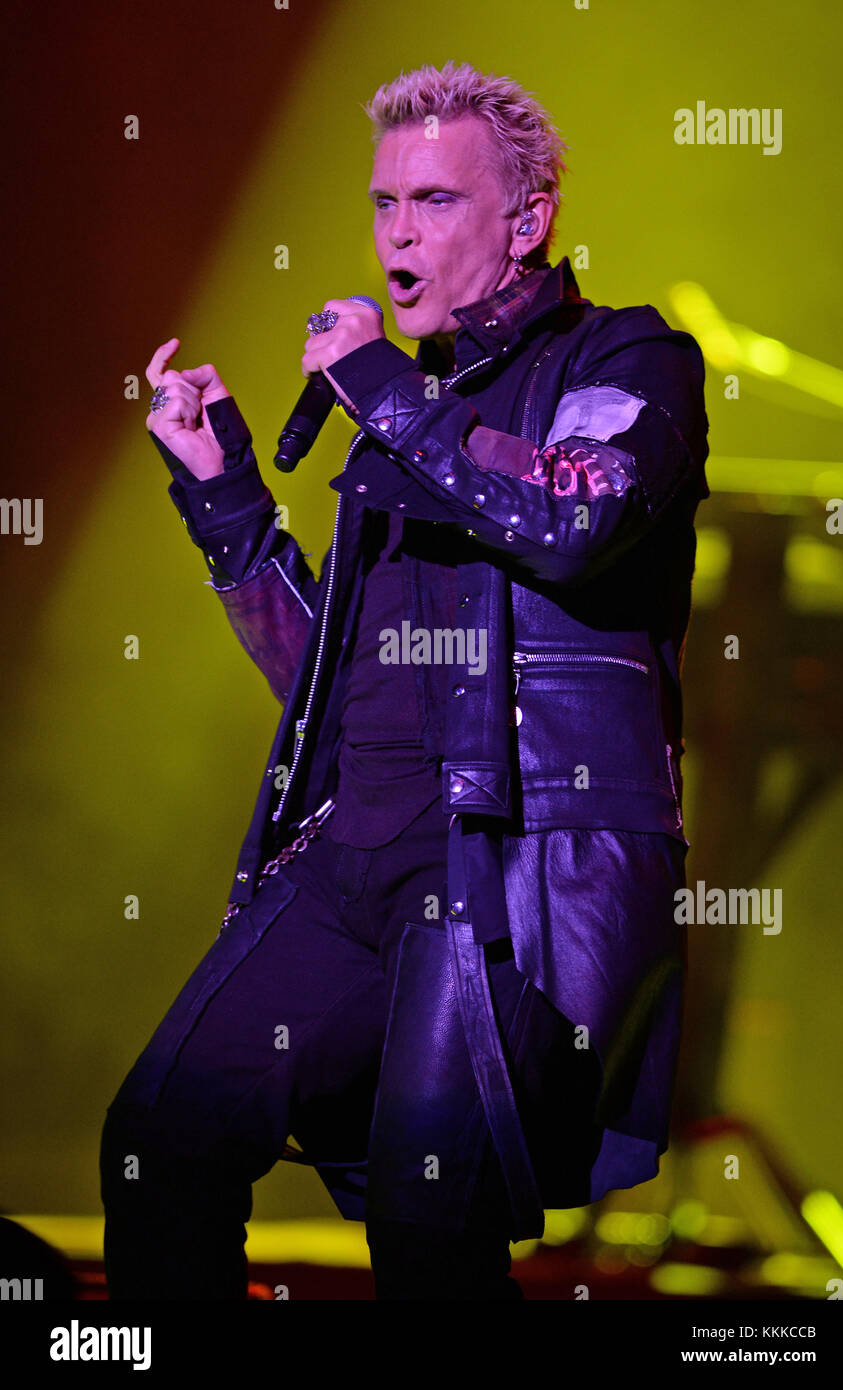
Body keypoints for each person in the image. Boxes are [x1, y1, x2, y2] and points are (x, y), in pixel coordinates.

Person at [100, 59, 709, 1301]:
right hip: (349, 850)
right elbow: (311, 667)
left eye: (431, 201)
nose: (394, 234)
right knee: (160, 1141)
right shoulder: (407, 414)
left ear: (525, 220)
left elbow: (570, 519)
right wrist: (224, 495)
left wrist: (377, 390)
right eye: (383, 203)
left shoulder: (628, 357)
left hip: (498, 847)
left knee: (429, 1216)